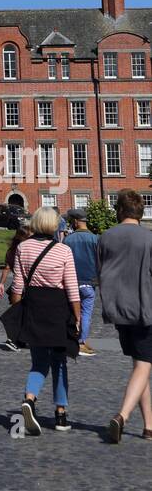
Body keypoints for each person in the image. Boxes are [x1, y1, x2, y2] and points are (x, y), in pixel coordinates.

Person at [11, 207, 81, 435]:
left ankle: (30, 399)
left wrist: (17, 312)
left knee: (38, 360)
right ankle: (61, 414)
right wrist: (77, 316)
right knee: (59, 362)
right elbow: (71, 286)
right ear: (54, 225)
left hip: (33, 305)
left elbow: (18, 286)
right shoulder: (63, 250)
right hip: (57, 307)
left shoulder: (23, 247)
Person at [97, 189, 152, 444]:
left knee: (139, 365)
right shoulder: (148, 238)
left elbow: (101, 271)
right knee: (144, 365)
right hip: (145, 309)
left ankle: (149, 426)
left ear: (119, 210)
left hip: (118, 309)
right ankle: (123, 415)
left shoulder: (106, 237)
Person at [64, 208, 99, 356]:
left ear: (76, 222)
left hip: (71, 282)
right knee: (86, 313)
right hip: (89, 282)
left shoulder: (68, 240)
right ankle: (81, 341)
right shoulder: (95, 239)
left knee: (71, 312)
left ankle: (73, 339)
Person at [0, 219, 33, 351]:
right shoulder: (24, 250)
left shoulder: (11, 251)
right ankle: (13, 339)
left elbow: (6, 268)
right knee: (20, 314)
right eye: (30, 236)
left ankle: (19, 339)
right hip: (23, 286)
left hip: (15, 286)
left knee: (18, 313)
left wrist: (1, 283)